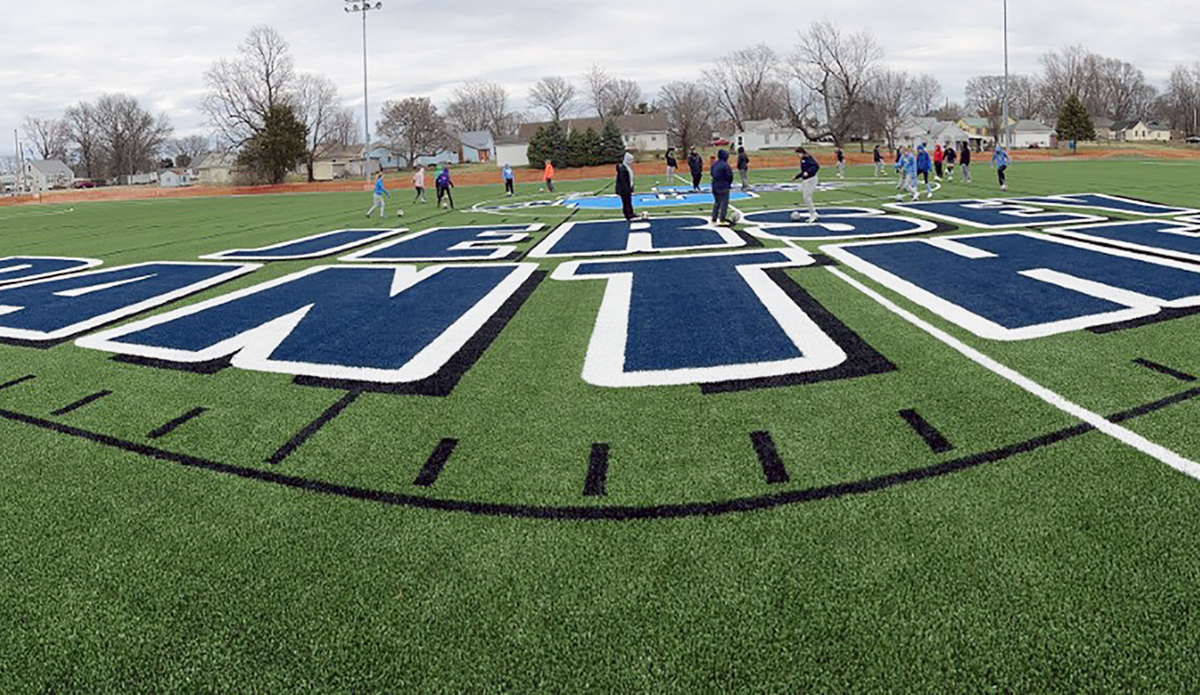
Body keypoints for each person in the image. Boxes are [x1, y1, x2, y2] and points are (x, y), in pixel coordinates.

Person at [791, 147, 820, 223]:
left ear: (802, 153)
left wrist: (809, 172)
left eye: (798, 154)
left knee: (807, 197)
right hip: (806, 180)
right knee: (806, 197)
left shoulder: (808, 158)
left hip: (811, 179)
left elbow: (816, 166)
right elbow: (803, 171)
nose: (797, 156)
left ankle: (813, 214)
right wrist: (796, 177)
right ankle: (813, 212)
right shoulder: (803, 160)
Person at [710, 149, 735, 226]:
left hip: (714, 185)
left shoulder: (714, 164)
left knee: (717, 202)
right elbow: (730, 175)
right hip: (723, 186)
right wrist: (728, 183)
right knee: (724, 203)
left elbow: (712, 173)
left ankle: (714, 218)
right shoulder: (725, 165)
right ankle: (722, 219)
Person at [615, 151, 636, 221]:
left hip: (627, 188)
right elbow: (624, 181)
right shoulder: (623, 169)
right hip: (624, 189)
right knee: (626, 202)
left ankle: (630, 212)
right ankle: (628, 214)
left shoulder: (626, 168)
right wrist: (627, 189)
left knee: (629, 201)